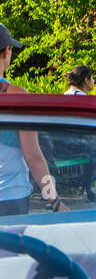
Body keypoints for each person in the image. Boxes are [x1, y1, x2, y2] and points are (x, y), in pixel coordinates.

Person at [0, 24, 66, 214]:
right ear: (7, 51)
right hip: (10, 197)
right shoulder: (17, 96)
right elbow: (33, 157)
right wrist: (53, 199)